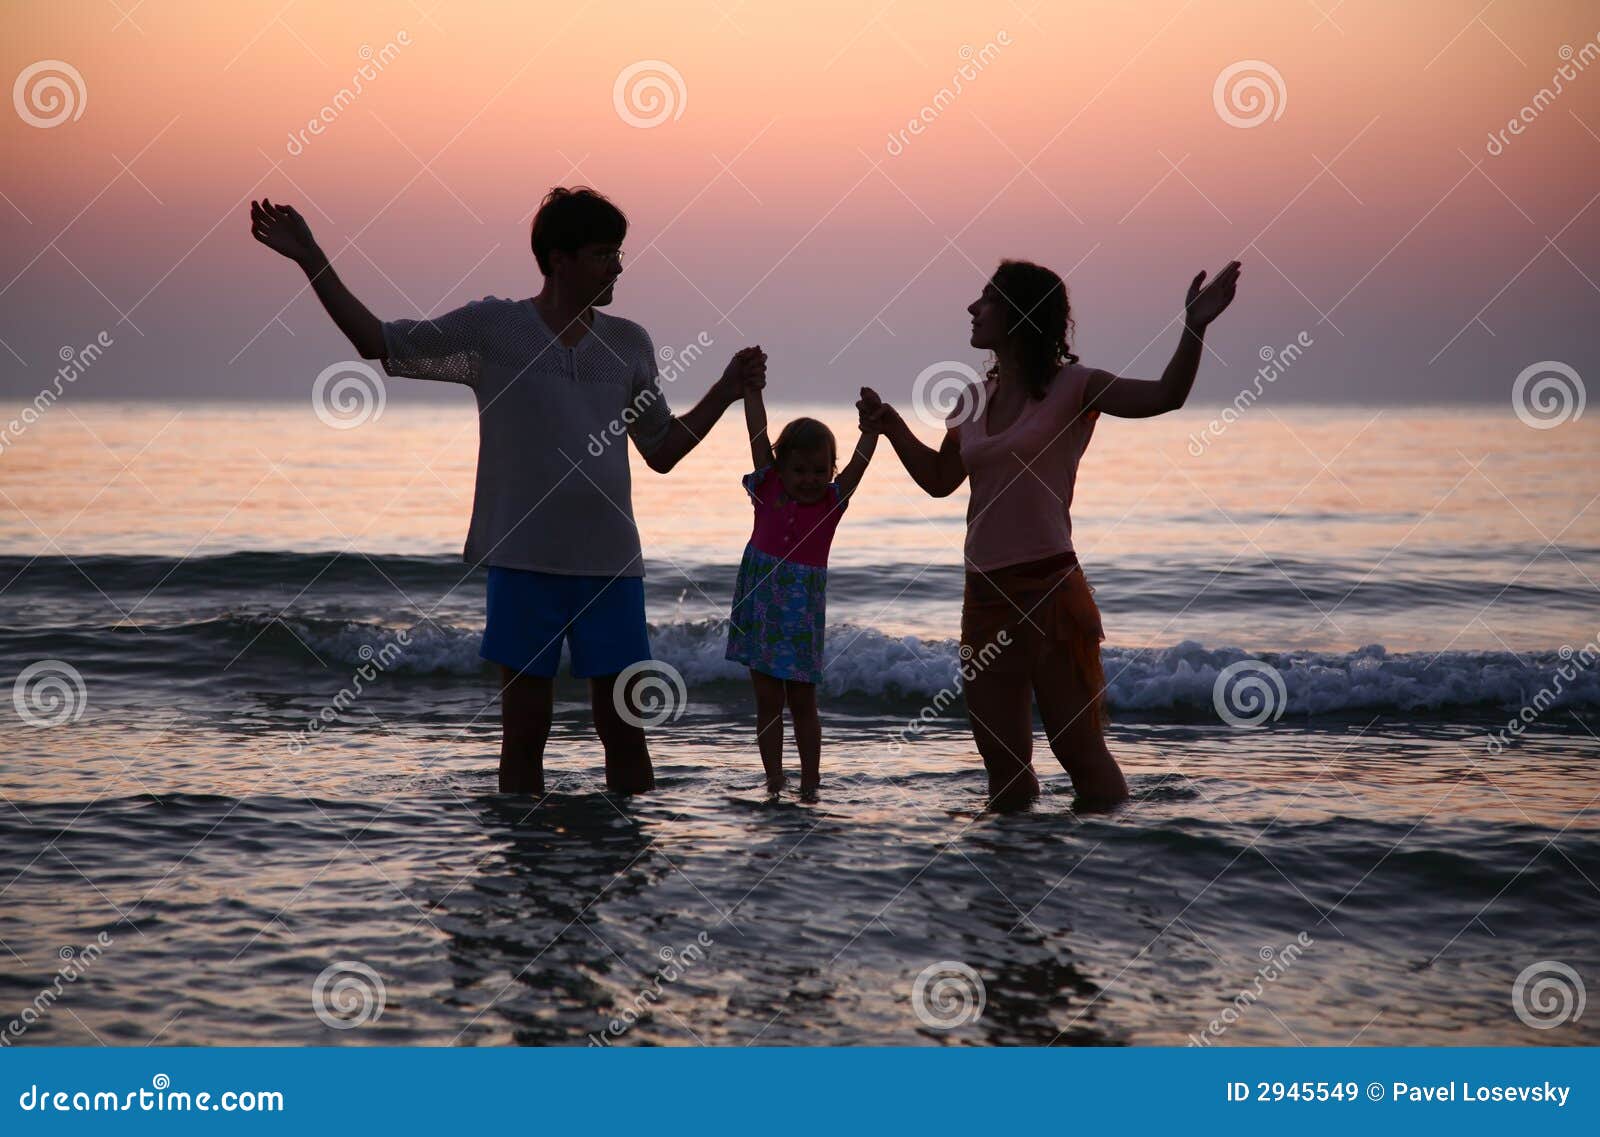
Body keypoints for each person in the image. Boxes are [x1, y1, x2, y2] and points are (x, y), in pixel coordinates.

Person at [249, 187, 765, 797]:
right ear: (559, 258)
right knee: (525, 732)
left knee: (626, 730)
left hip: (610, 566)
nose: (618, 268)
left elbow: (661, 449)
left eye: (619, 254)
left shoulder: (630, 343)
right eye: (604, 254)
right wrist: (313, 258)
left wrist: (727, 390)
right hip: (524, 562)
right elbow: (380, 342)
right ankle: (527, 864)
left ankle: (630, 865)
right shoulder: (495, 330)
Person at [859, 257, 1241, 810]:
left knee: (1080, 754)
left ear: (1017, 314)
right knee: (1006, 777)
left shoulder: (1075, 387)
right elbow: (942, 482)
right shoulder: (969, 396)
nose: (971, 308)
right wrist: (893, 427)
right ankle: (1018, 882)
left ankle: (1097, 875)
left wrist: (1194, 327)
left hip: (1051, 595)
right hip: (985, 597)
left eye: (985, 299)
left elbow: (1165, 396)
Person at [726, 367, 878, 796]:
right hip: (759, 604)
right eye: (799, 470)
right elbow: (758, 432)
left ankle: (810, 781)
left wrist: (871, 427)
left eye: (818, 470)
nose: (809, 479)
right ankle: (774, 777)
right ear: (781, 467)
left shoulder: (832, 502)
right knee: (768, 702)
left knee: (803, 703)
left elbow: (860, 463)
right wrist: (753, 391)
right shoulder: (768, 486)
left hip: (801, 614)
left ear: (831, 470)